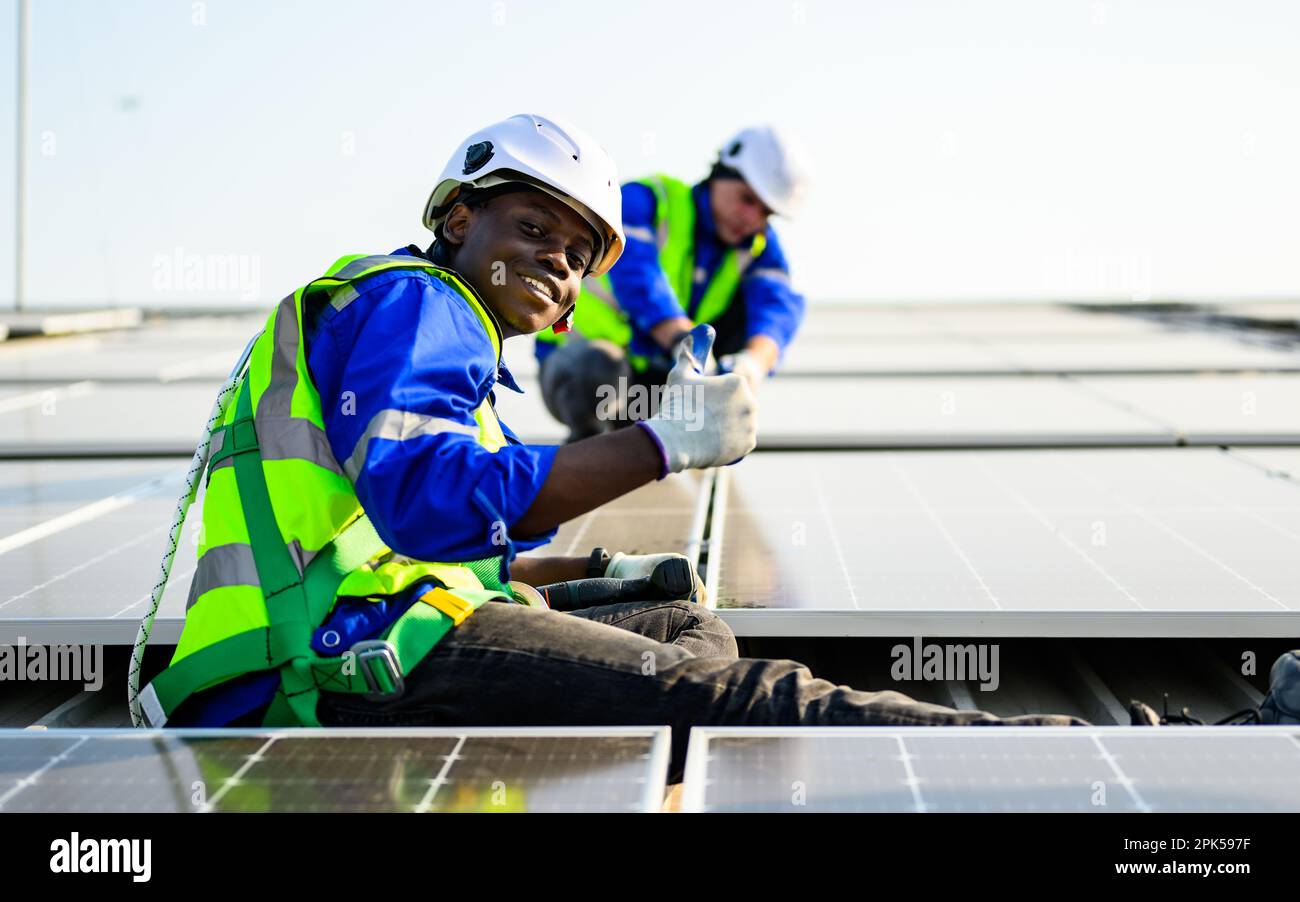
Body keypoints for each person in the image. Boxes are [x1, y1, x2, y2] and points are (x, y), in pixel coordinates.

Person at [138, 114, 1295, 782]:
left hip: (367, 634)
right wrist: (662, 439)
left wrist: (576, 574)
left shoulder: (448, 333)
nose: (555, 261)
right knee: (743, 690)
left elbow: (413, 535)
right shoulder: (415, 301)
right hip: (330, 666)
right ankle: (1165, 755)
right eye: (530, 227)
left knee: (680, 618)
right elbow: (424, 502)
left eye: (575, 249)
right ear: (457, 219)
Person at [535, 126, 810, 441]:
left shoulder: (758, 246)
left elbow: (779, 305)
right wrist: (686, 345)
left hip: (653, 377)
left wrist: (753, 365)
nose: (752, 219)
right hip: (578, 367)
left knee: (747, 335)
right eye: (747, 199)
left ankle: (657, 452)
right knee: (599, 370)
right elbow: (636, 274)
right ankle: (585, 455)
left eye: (766, 212)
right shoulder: (651, 201)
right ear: (720, 173)